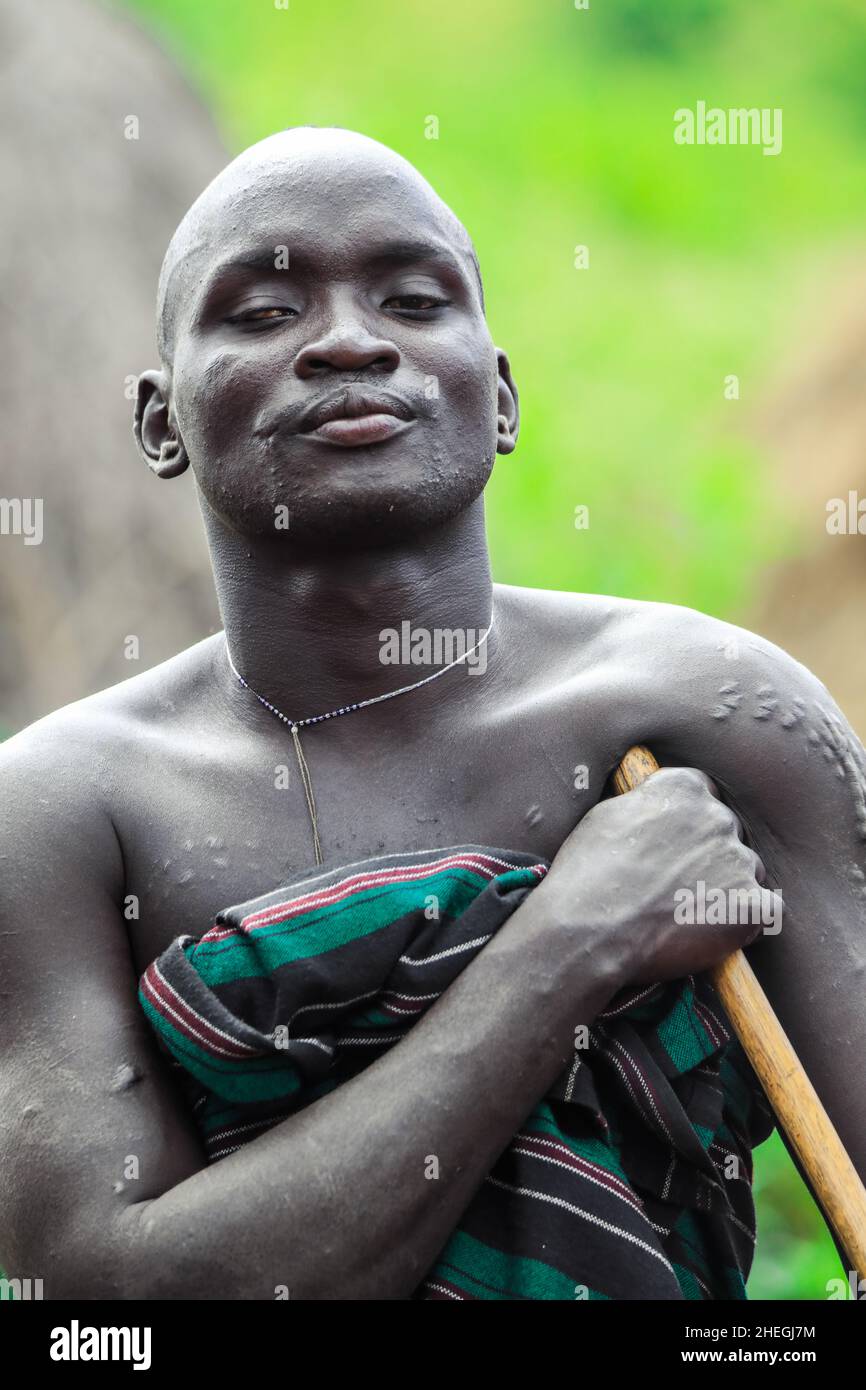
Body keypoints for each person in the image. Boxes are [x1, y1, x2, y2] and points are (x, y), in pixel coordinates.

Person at [1, 126, 864, 1300]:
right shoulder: (62, 810)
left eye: (411, 299)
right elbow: (100, 1303)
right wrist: (567, 946)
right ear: (160, 423)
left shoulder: (709, 714)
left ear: (497, 396)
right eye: (261, 314)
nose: (349, 341)